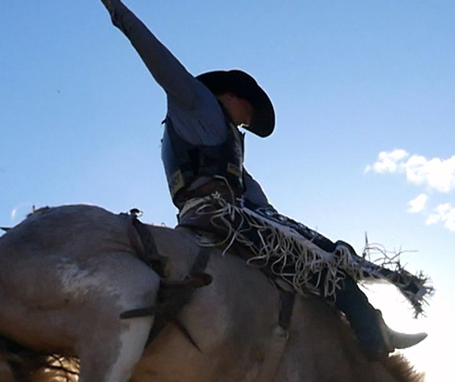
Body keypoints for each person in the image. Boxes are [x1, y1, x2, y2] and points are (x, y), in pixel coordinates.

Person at [98, 0, 430, 360]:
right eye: (249, 112)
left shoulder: (225, 152)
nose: (246, 122)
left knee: (322, 252)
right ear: (230, 94)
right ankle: (371, 336)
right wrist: (116, 8)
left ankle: (351, 326)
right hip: (221, 218)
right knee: (320, 264)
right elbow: (155, 53)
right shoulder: (196, 102)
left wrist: (293, 231)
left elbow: (259, 203)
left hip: (220, 215)